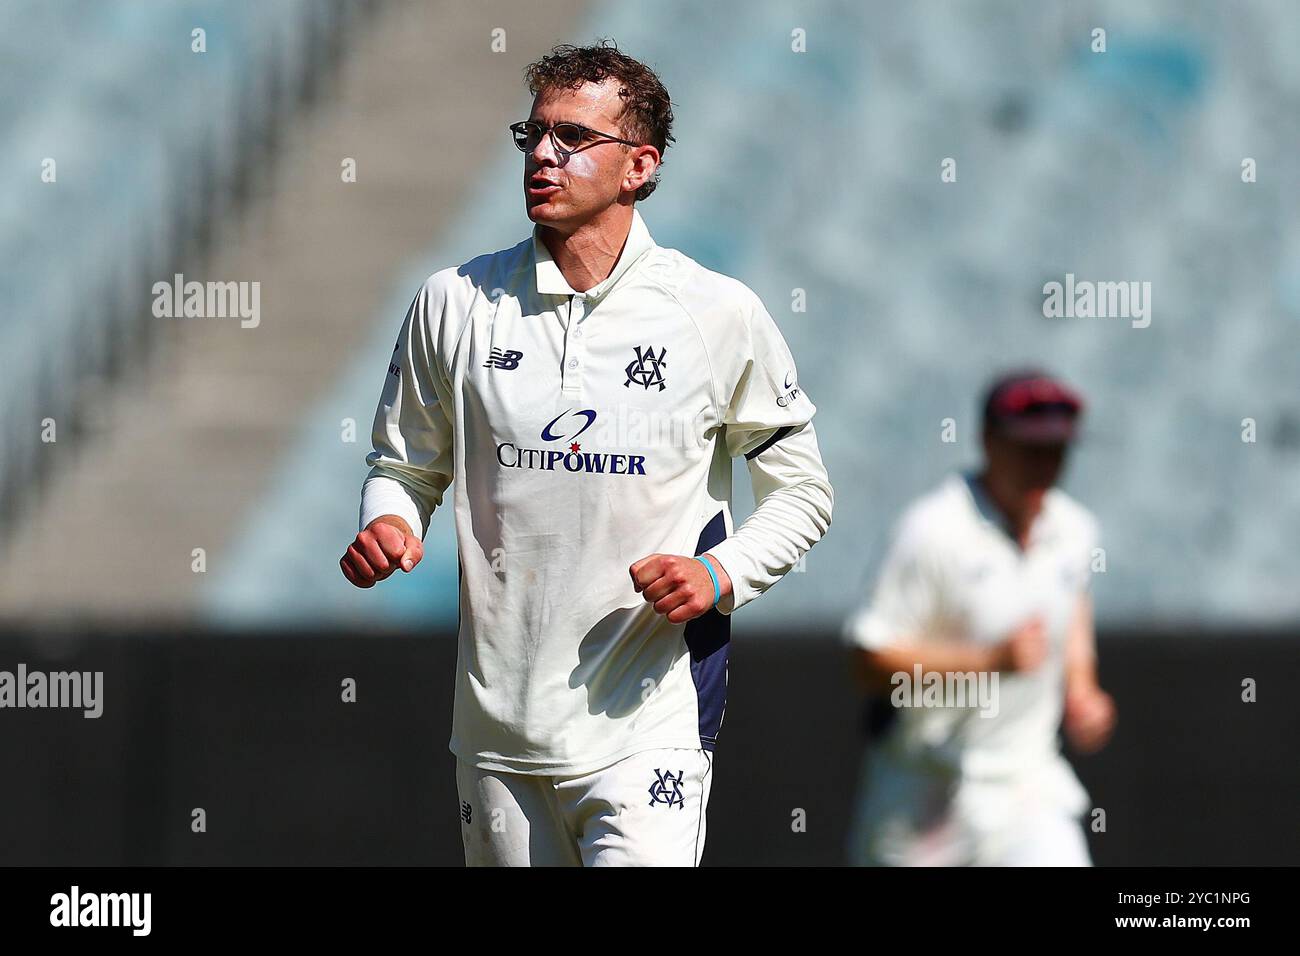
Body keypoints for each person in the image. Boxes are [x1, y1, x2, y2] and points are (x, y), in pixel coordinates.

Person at [339, 40, 833, 866]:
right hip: (497, 733)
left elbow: (803, 493)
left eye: (573, 138)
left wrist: (721, 574)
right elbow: (403, 465)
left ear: (639, 166)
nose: (542, 155)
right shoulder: (454, 303)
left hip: (650, 728)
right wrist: (388, 520)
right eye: (532, 134)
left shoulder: (716, 313)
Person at [842, 370, 1115, 866]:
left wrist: (1082, 688)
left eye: (1057, 451)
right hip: (924, 792)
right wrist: (988, 661)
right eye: (1030, 449)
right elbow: (868, 661)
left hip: (1027, 788)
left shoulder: (1074, 531)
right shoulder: (932, 532)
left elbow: (1071, 607)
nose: (1045, 467)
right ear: (988, 442)